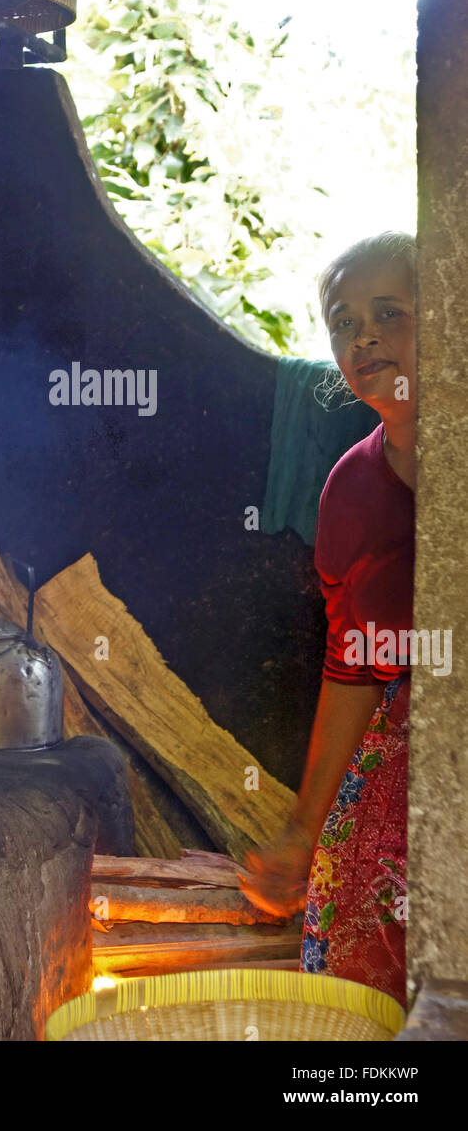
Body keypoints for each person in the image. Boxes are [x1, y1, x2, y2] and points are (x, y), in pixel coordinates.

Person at [239, 232, 416, 1010]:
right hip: (404, 769)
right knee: (363, 972)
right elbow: (353, 669)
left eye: (389, 313)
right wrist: (302, 835)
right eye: (342, 322)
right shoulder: (351, 490)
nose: (362, 336)